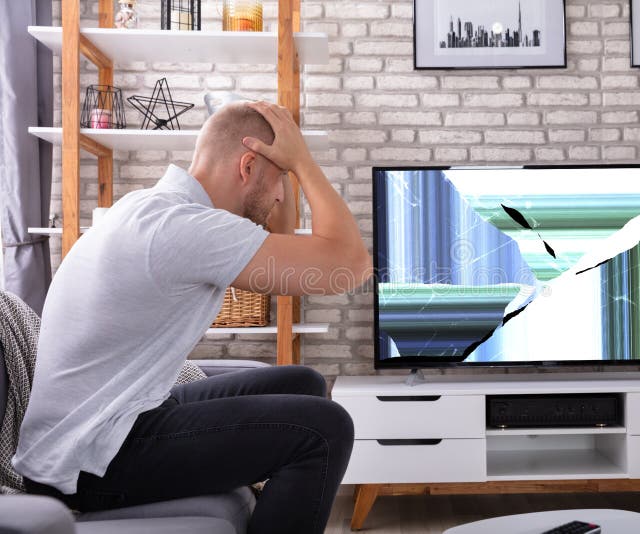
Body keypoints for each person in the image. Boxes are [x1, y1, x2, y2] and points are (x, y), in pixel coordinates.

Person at [13, 101, 372, 534]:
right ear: (247, 167)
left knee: (304, 384)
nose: (280, 195)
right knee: (324, 429)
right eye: (279, 181)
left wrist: (285, 168)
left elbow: (286, 260)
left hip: (103, 425)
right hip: (90, 460)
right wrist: (304, 161)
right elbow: (350, 266)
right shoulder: (185, 228)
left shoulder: (157, 207)